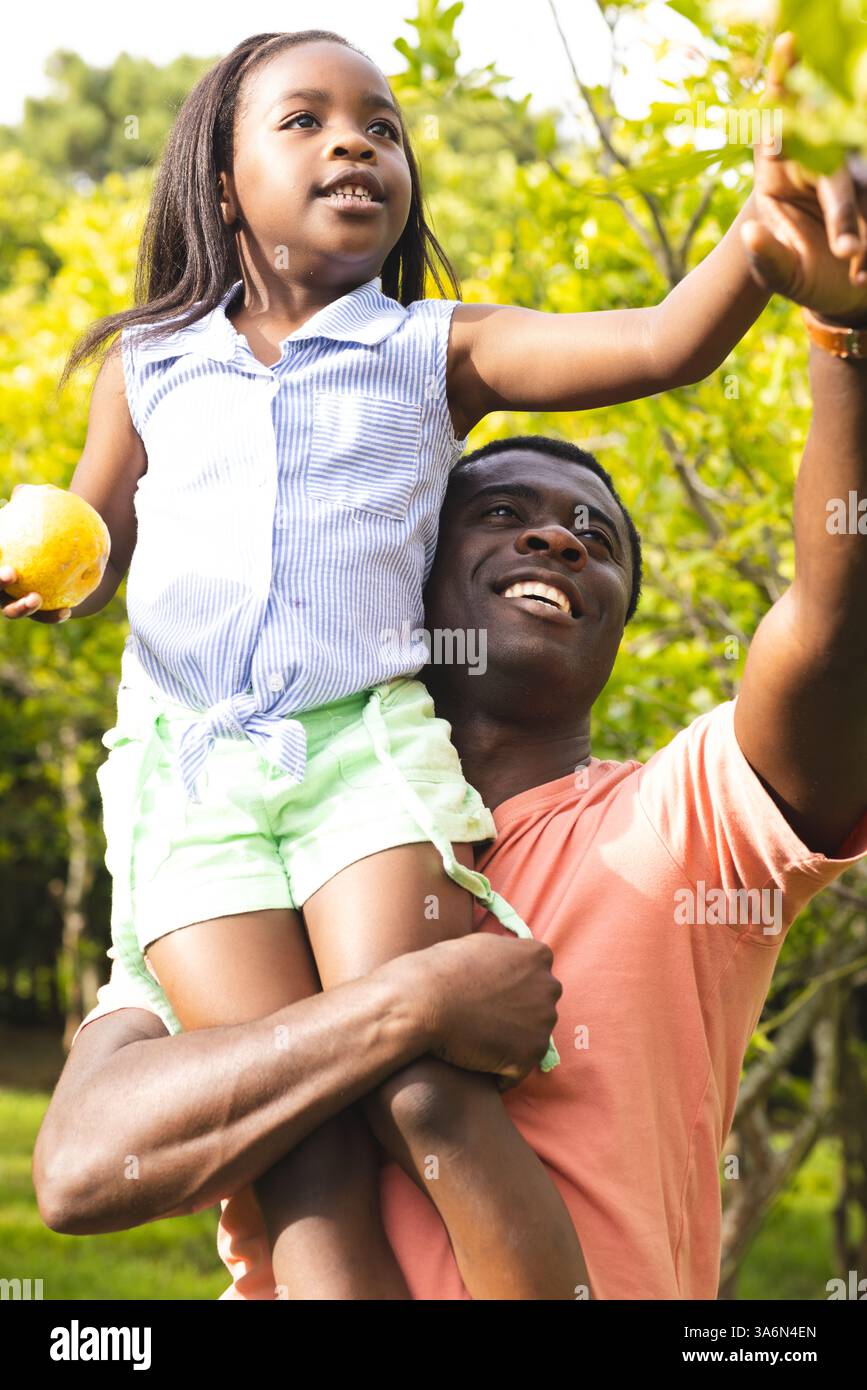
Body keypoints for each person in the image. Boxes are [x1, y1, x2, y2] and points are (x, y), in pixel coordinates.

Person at [6, 27, 843, 1299]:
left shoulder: (429, 351)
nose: (355, 140)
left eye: (383, 126)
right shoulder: (150, 362)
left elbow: (668, 343)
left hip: (358, 756)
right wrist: (45, 576)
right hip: (190, 779)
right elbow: (95, 535)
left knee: (426, 1088)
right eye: (306, 121)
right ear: (220, 182)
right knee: (300, 1137)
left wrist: (767, 246)